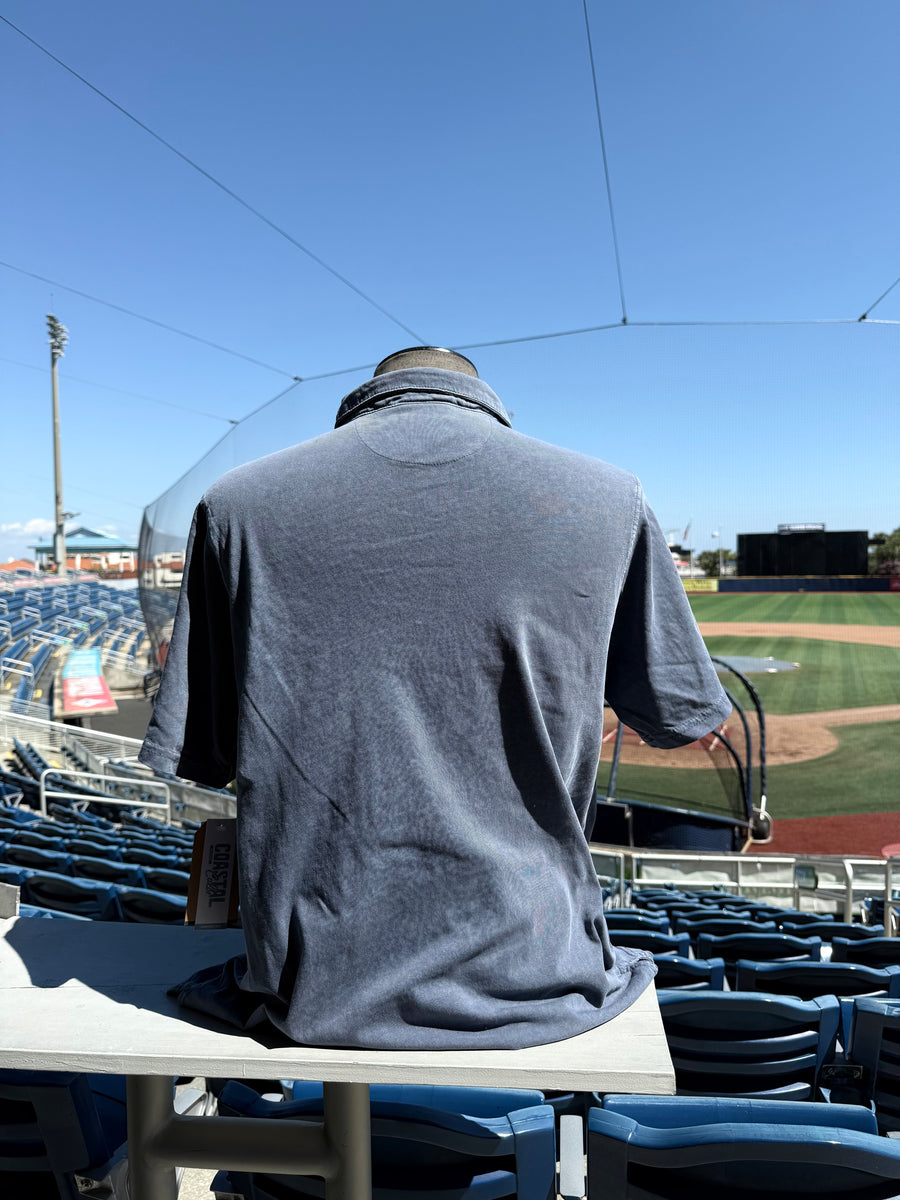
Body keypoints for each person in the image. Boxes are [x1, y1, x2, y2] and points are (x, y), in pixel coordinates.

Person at [140, 347, 731, 1050]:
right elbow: (677, 713)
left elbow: (204, 750)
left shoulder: (236, 502)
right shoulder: (609, 496)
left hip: (309, 991)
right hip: (542, 980)